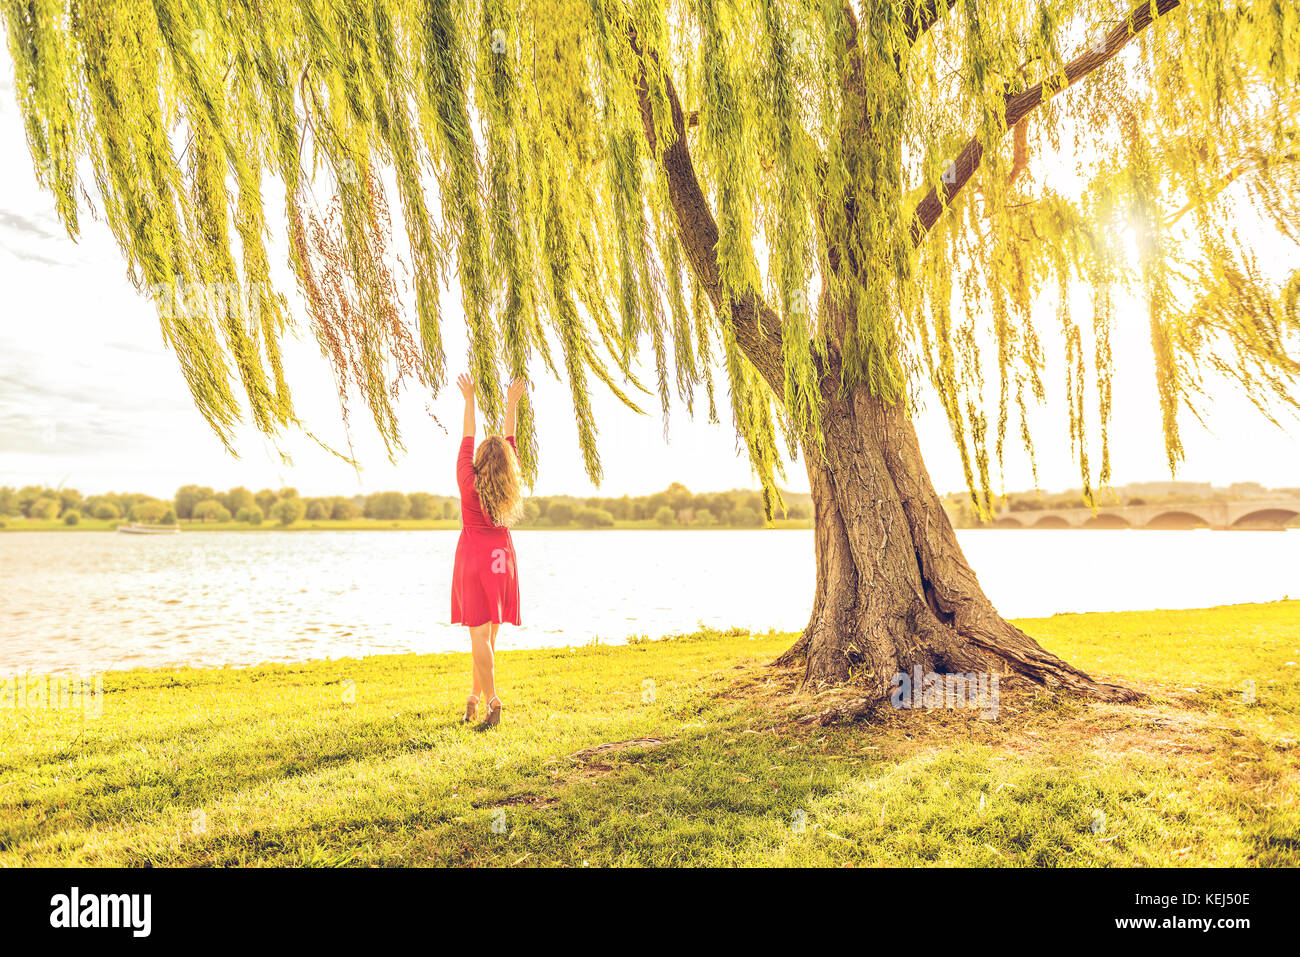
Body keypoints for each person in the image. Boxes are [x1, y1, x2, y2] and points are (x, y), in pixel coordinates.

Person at [452, 373, 526, 729]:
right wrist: (511, 404)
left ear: (481, 459)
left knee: (479, 636)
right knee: (489, 636)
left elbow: (468, 438)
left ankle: (493, 701)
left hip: (475, 562)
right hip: (503, 564)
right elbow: (510, 442)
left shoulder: (468, 482)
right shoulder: (510, 487)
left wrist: (470, 400)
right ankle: (473, 698)